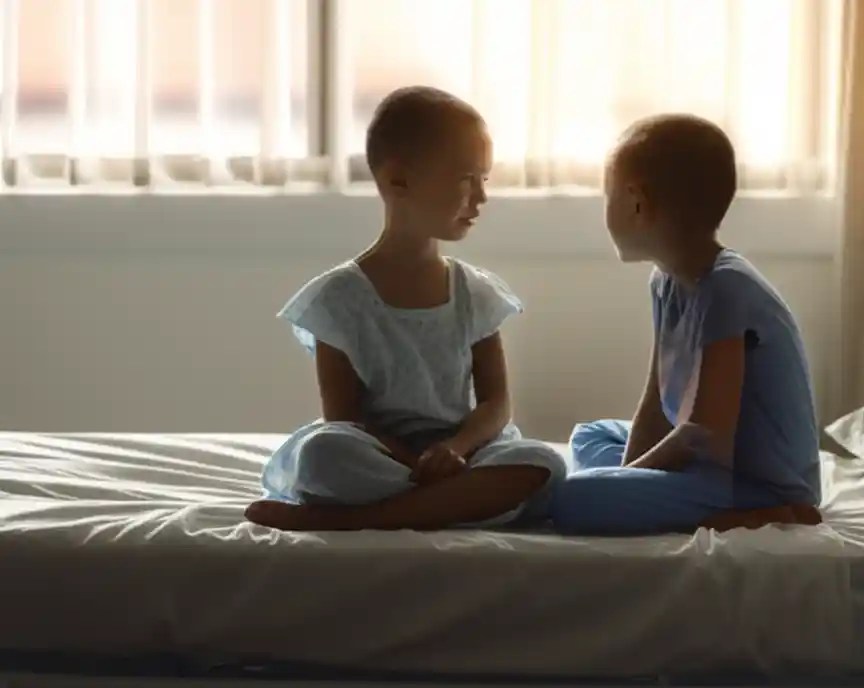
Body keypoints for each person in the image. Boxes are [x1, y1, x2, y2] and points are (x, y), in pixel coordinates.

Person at [244, 86, 565, 532]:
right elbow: (345, 418)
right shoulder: (337, 300)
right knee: (323, 455)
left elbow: (496, 403)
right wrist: (415, 460)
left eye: (483, 180)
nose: (480, 198)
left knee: (543, 462)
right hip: (385, 456)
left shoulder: (476, 293)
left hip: (463, 454)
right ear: (398, 180)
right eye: (464, 178)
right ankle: (453, 506)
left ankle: (359, 519)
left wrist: (455, 449)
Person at [549, 114, 823, 535]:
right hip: (705, 462)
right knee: (589, 437)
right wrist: (628, 477)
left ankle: (754, 516)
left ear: (636, 202)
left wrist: (625, 482)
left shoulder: (727, 288)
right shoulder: (666, 280)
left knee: (568, 497)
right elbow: (657, 400)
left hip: (747, 481)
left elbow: (702, 435)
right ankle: (645, 493)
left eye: (608, 197)